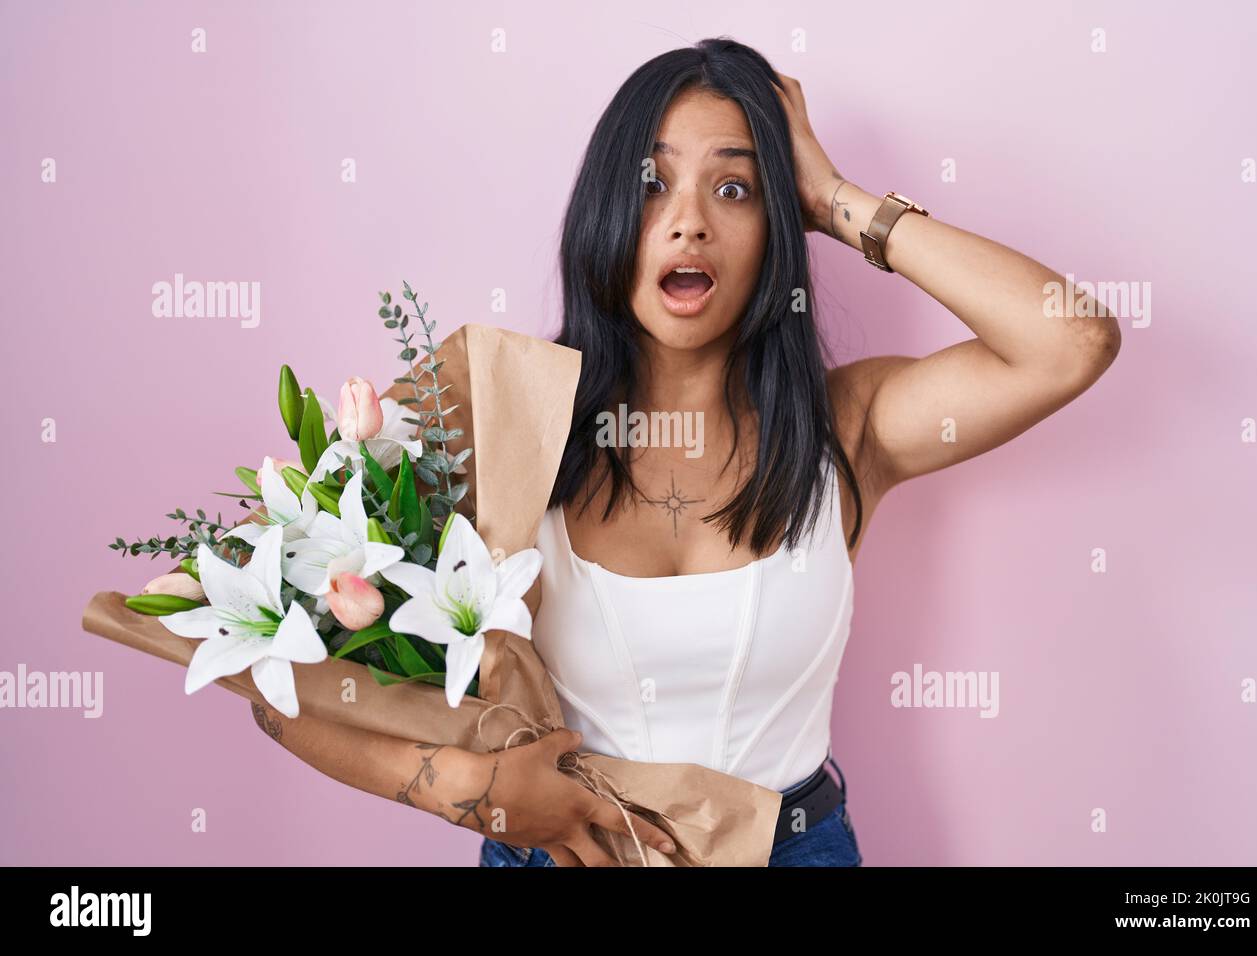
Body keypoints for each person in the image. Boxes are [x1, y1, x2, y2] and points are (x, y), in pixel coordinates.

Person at [253, 37, 1120, 867]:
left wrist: (830, 197)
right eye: (651, 184)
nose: (689, 223)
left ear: (776, 225)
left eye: (735, 189)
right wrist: (470, 791)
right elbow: (259, 663)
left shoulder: (845, 426)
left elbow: (1071, 341)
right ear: (604, 210)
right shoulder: (491, 410)